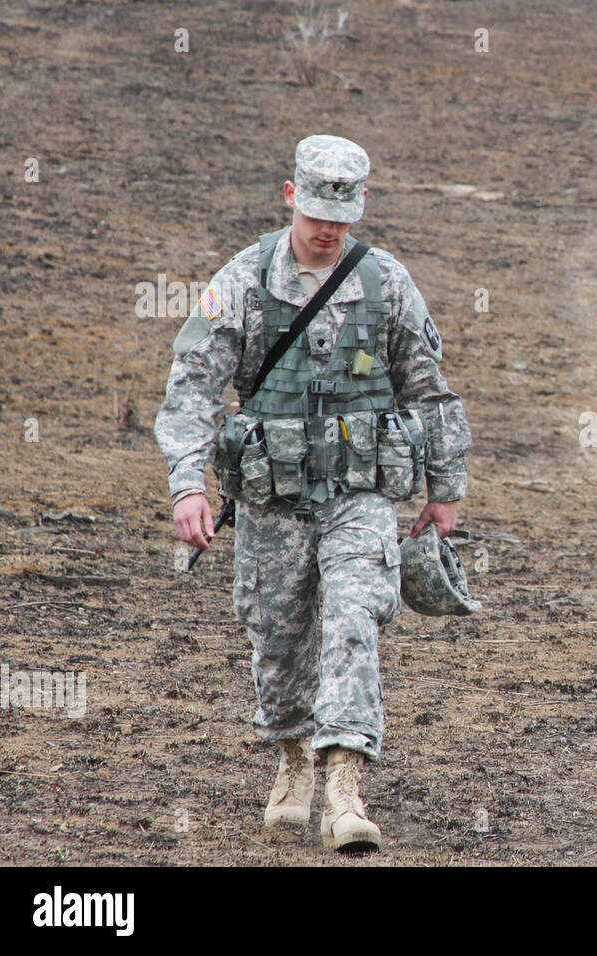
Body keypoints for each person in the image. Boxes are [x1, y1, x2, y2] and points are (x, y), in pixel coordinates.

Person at [155, 134, 472, 849]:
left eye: (344, 213)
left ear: (360, 207)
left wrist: (445, 487)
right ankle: (293, 761)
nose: (329, 228)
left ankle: (346, 789)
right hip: (272, 501)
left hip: (360, 494)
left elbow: (430, 388)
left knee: (355, 619)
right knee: (277, 637)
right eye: (318, 210)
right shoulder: (242, 279)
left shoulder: (385, 281)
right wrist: (187, 487)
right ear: (292, 196)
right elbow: (192, 390)